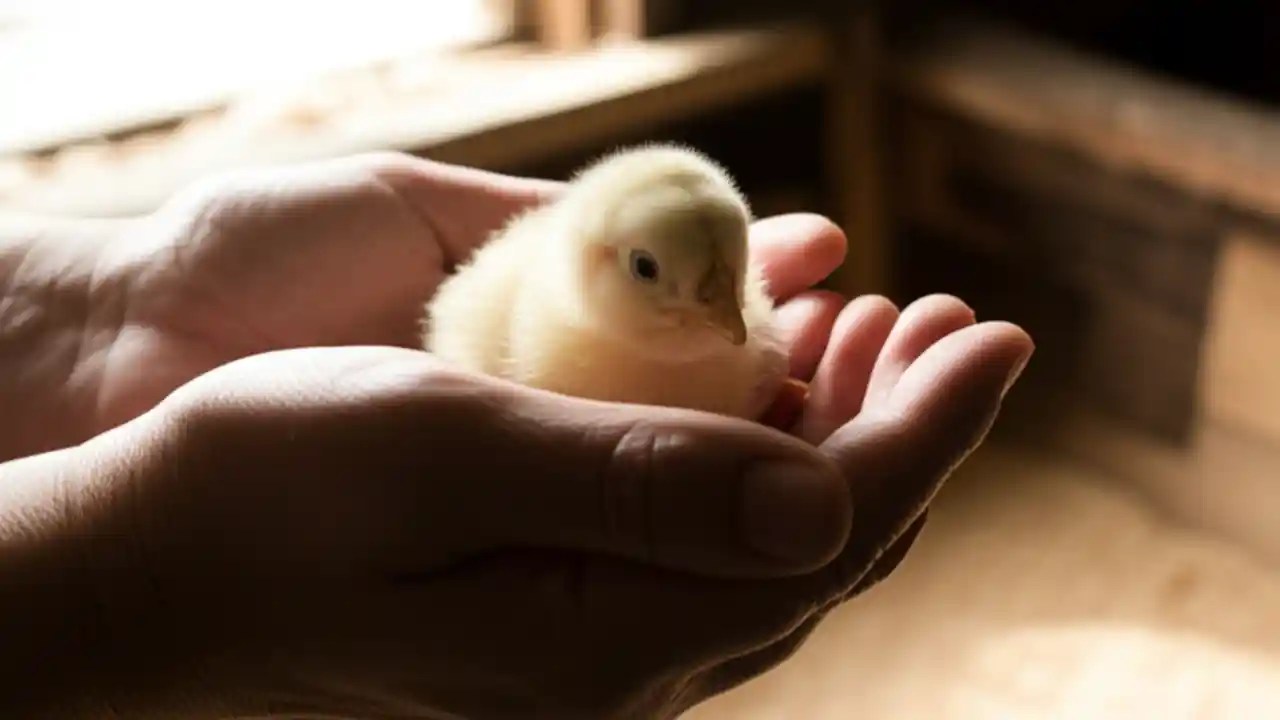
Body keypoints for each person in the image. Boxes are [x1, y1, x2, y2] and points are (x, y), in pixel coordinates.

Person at [0, 152, 1032, 719]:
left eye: (727, 281)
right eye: (653, 280)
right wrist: (120, 577)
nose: (728, 315)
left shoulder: (708, 308)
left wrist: (83, 303)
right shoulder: (536, 326)